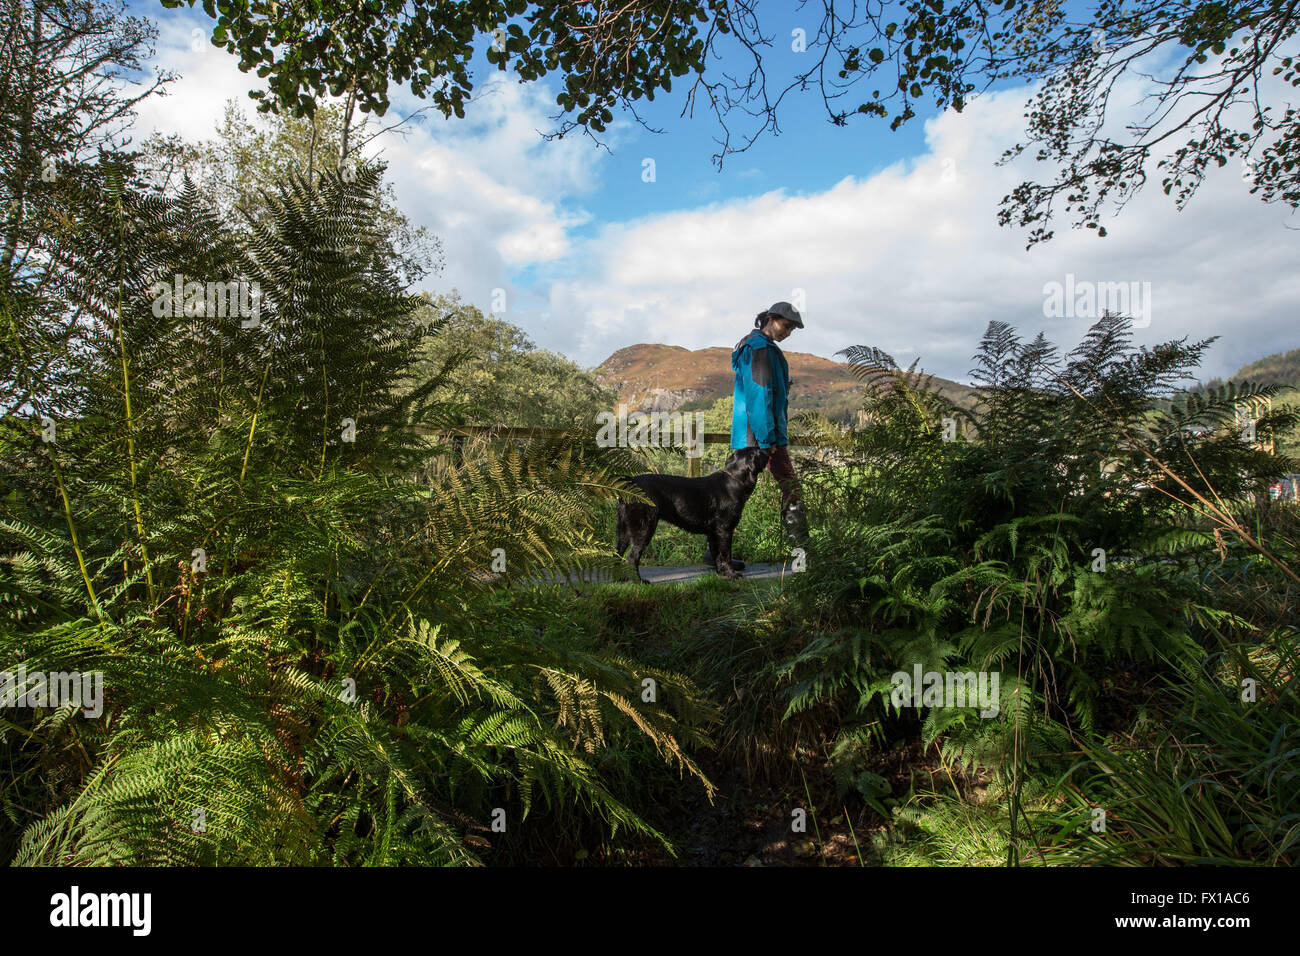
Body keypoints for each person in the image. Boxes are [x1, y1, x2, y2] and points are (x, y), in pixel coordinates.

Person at [704, 301, 810, 568]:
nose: (787, 332)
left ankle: (714, 554)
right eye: (786, 326)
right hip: (763, 437)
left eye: (792, 330)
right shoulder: (761, 348)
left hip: (748, 435)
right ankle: (802, 558)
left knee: (731, 495)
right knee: (791, 489)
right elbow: (759, 394)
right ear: (771, 319)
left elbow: (761, 390)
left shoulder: (752, 346)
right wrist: (768, 440)